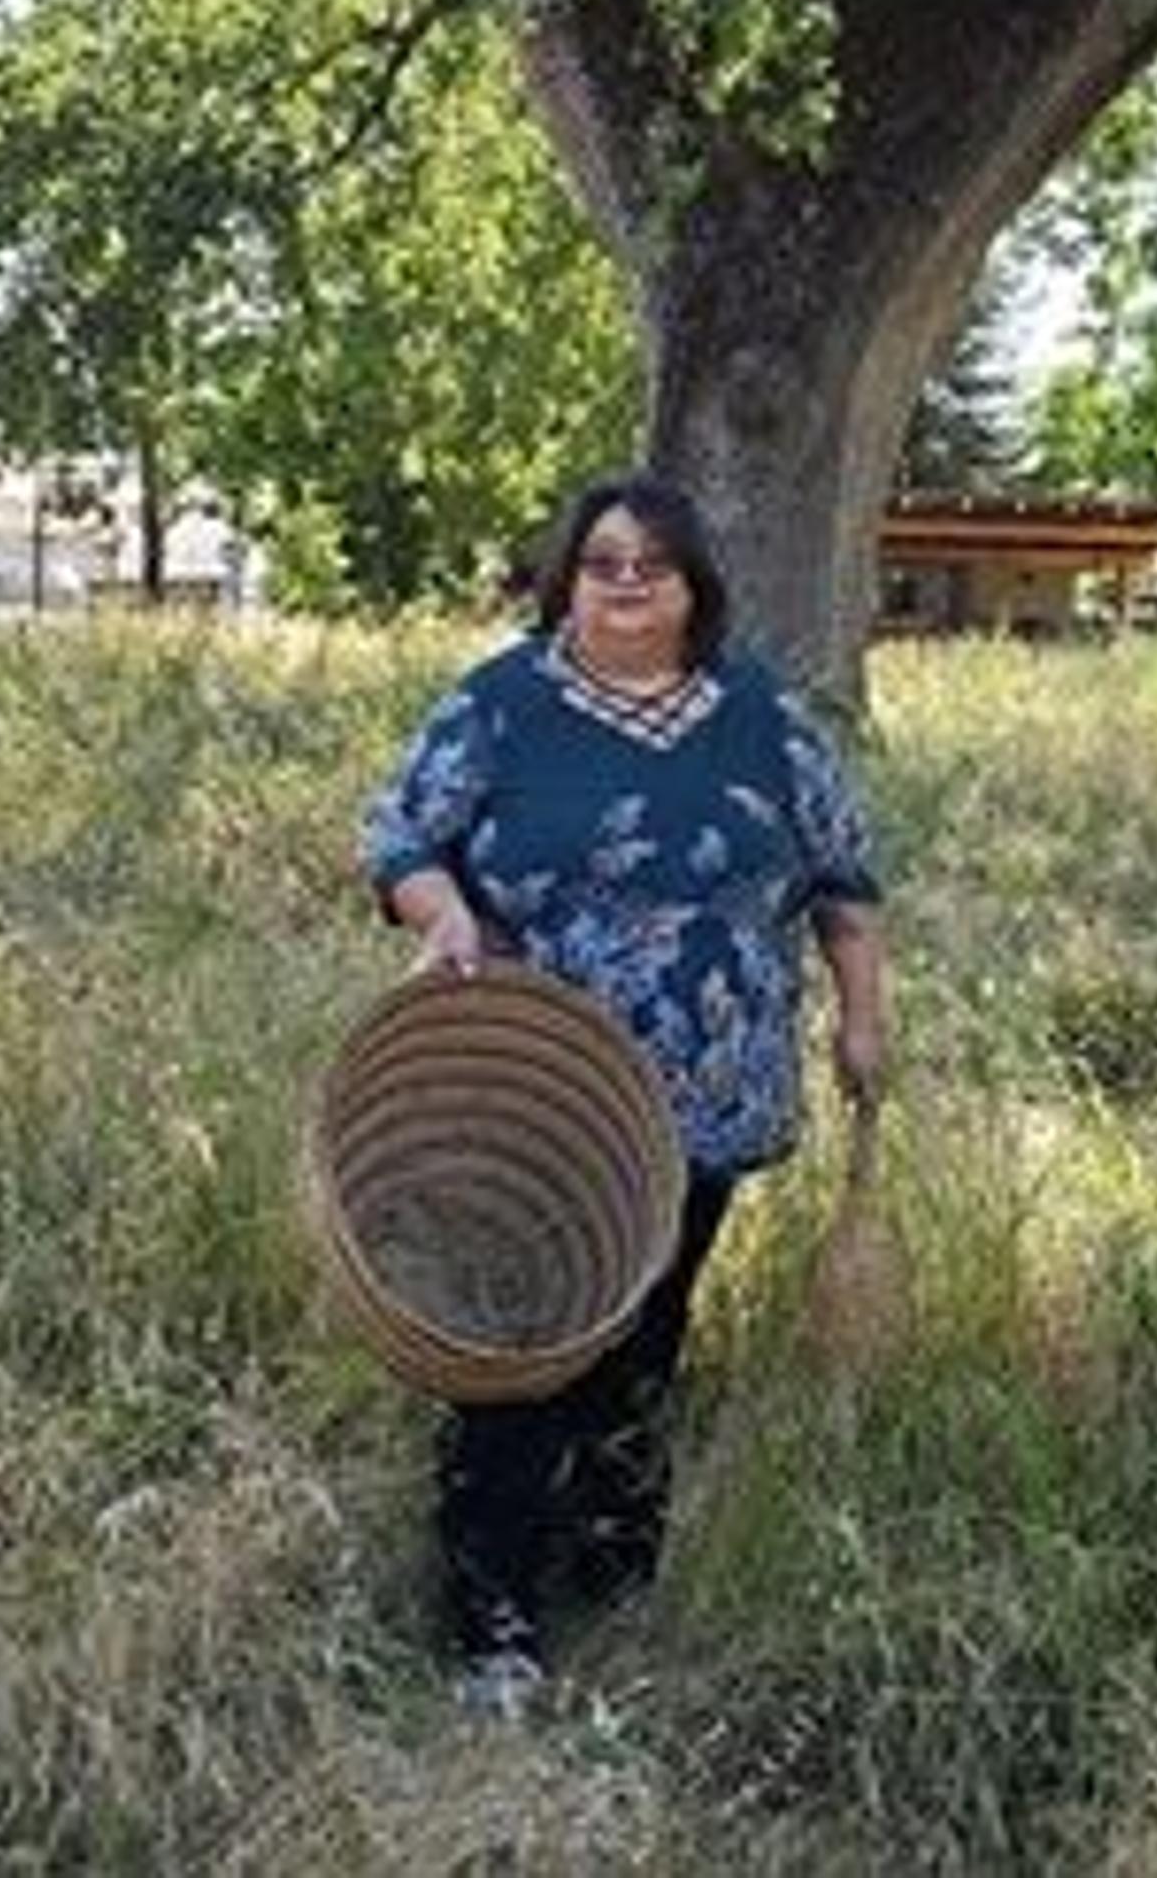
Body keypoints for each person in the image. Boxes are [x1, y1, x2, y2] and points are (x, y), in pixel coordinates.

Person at [361, 473, 888, 1716]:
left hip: (709, 1090)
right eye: (603, 561)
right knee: (521, 1335)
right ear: (569, 579)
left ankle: (611, 1573)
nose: (630, 581)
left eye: (656, 562)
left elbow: (846, 884)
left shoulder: (763, 715)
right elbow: (398, 842)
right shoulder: (500, 705)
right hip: (540, 1091)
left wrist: (864, 1020)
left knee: (648, 1337)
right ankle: (493, 1611)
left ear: (697, 581)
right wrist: (441, 917)